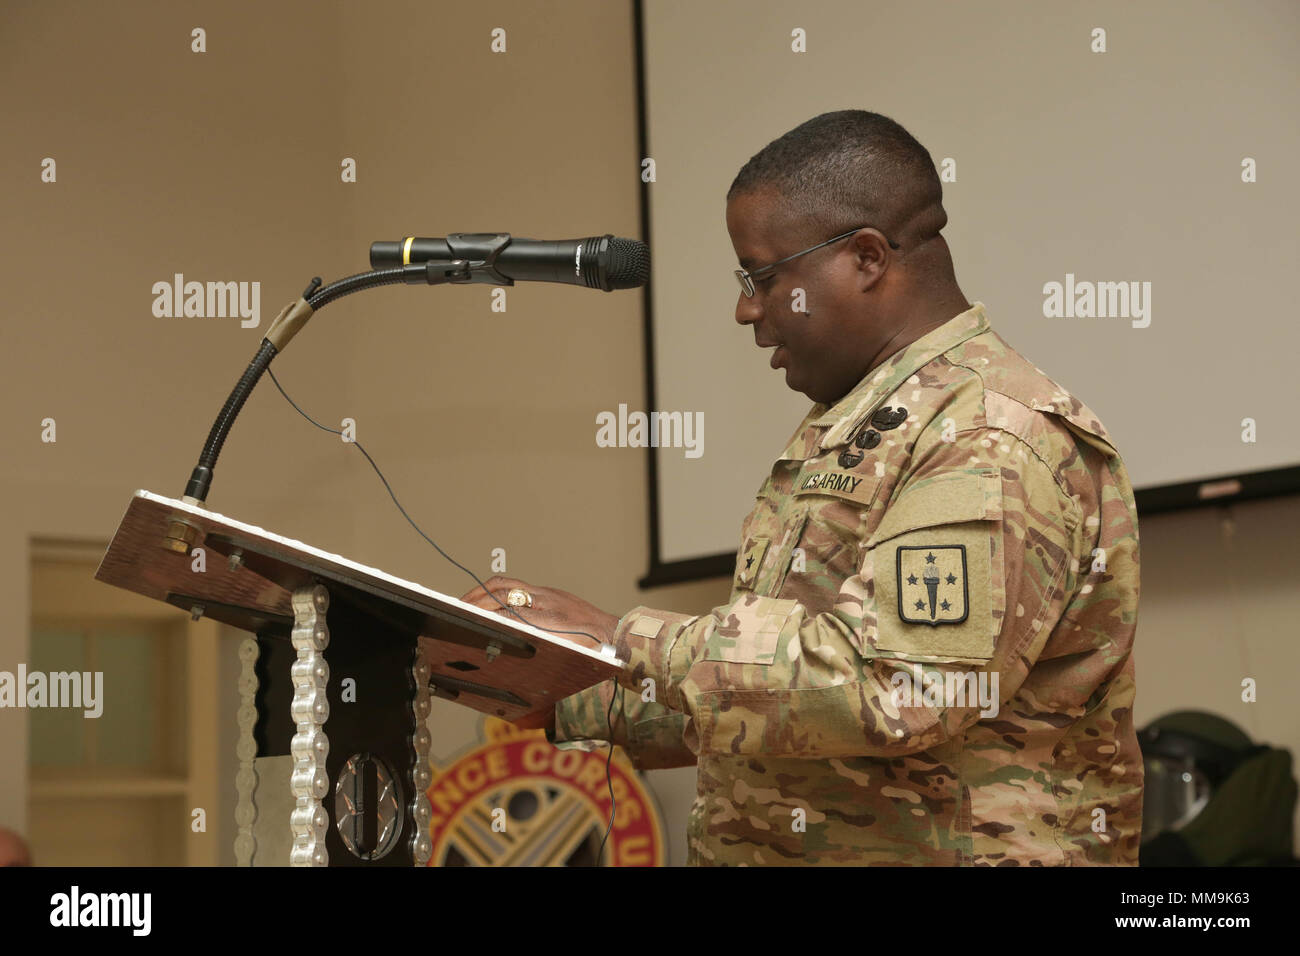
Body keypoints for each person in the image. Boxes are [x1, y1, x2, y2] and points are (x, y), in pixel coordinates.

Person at [461, 110, 1142, 866]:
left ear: (866, 257)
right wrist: (557, 693)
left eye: (763, 276)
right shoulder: (858, 424)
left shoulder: (987, 436)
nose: (747, 309)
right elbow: (784, 701)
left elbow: (892, 687)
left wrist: (621, 638)